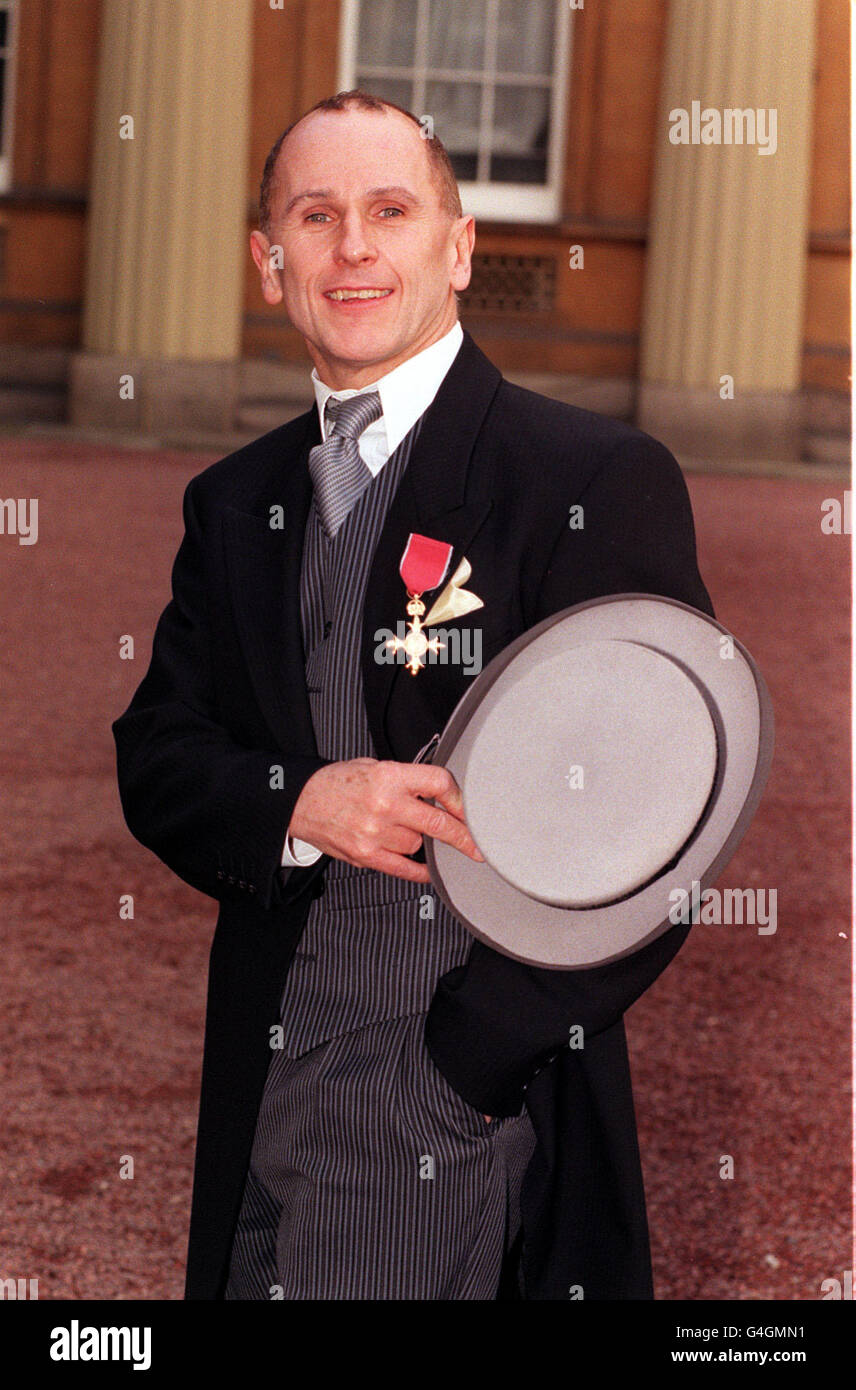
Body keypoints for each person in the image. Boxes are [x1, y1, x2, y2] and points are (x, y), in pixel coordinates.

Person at [113, 89, 713, 1301]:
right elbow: (159, 756)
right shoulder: (236, 498)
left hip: (460, 1110)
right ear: (266, 257)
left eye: (389, 210)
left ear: (457, 246)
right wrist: (302, 802)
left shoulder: (587, 478)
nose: (351, 248)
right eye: (315, 214)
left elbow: (667, 829)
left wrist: (460, 1068)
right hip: (263, 1095)